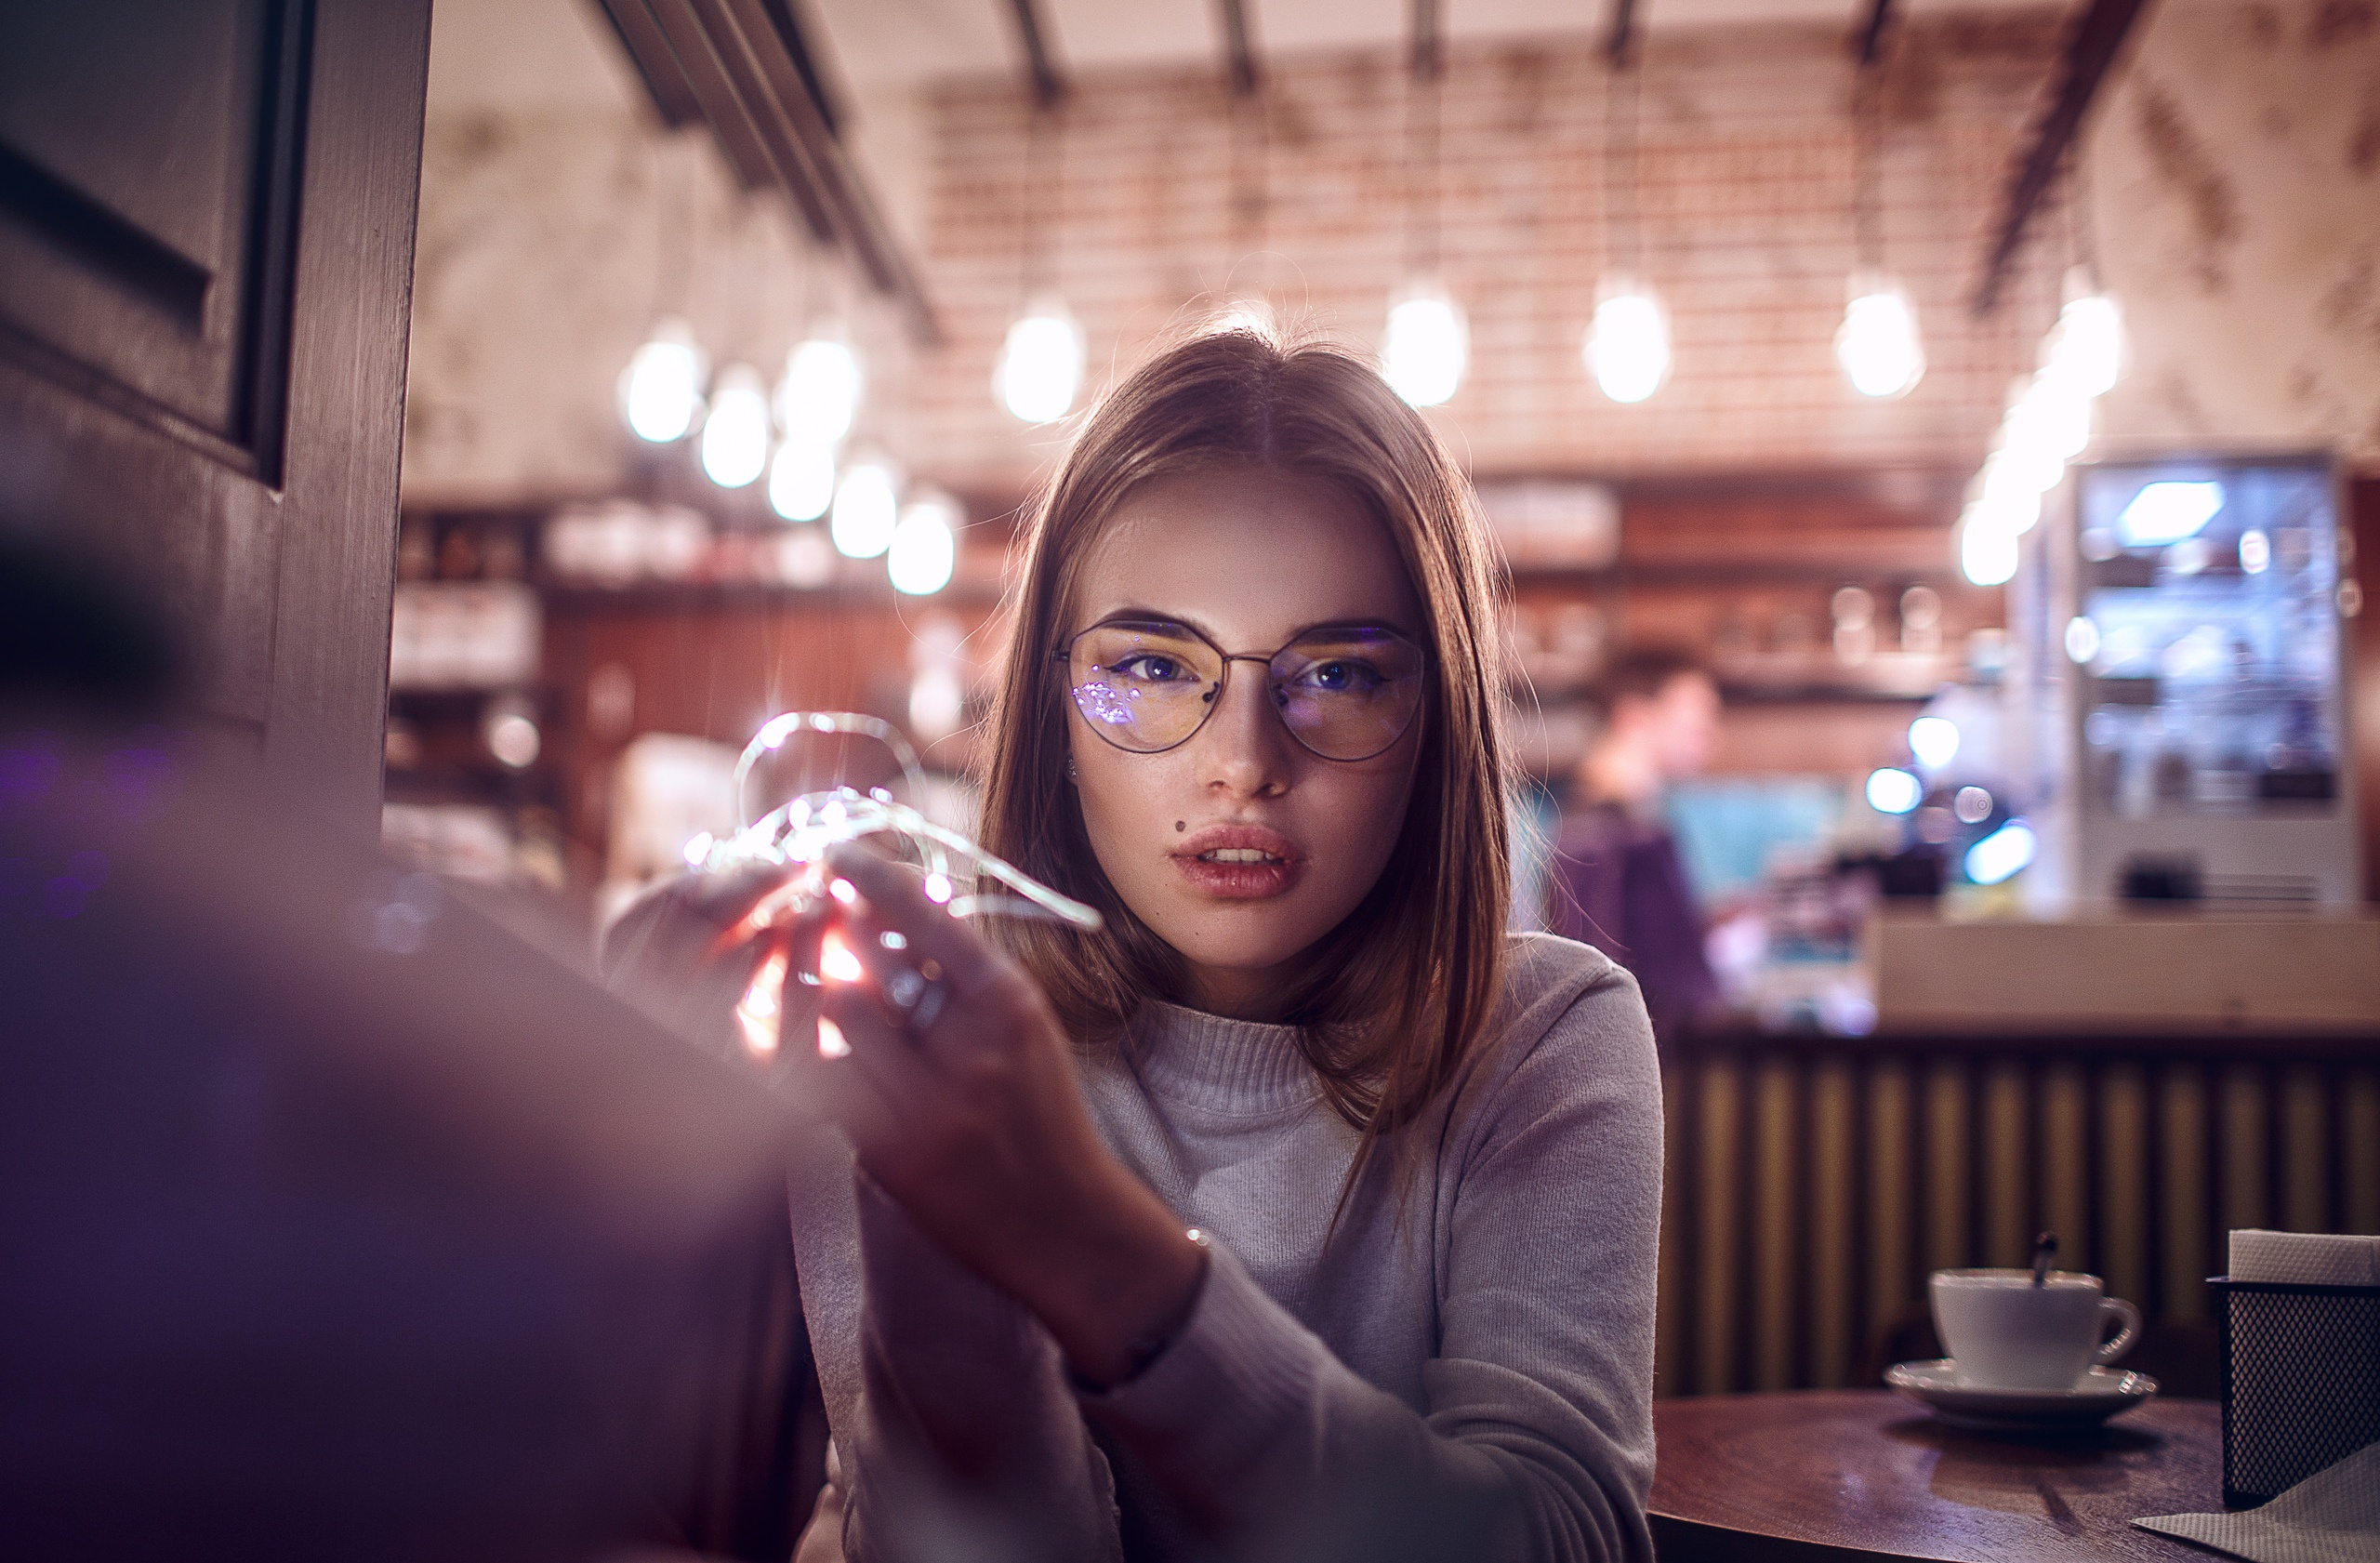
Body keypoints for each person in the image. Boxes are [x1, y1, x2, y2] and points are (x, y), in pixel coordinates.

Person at [607, 327, 1662, 1562]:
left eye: (1338, 673)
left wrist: (1090, 1247)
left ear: (1436, 712)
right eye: (1154, 665)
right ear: (1055, 708)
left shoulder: (1544, 1036)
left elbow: (1564, 1542)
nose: (1244, 763)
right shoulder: (922, 1039)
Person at [1546, 650, 1724, 1042]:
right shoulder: (1602, 834)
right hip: (1629, 1064)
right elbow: (1588, 977)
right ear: (1635, 717)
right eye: (1697, 723)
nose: (1712, 738)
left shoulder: (1628, 825)